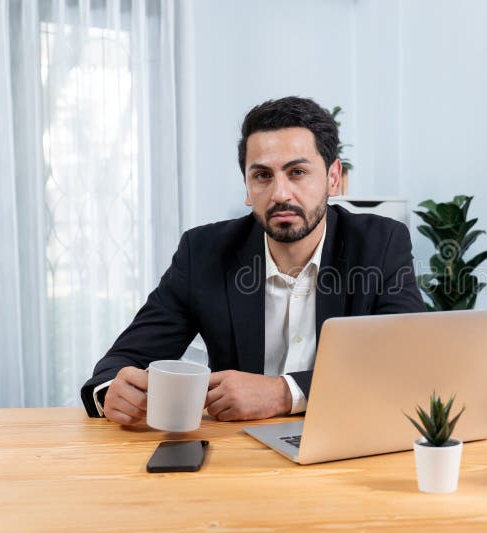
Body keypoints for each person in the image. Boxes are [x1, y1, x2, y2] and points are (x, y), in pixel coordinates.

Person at [81, 96, 424, 424]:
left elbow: (406, 363)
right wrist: (113, 390)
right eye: (262, 176)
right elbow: (122, 361)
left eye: (298, 172)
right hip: (238, 452)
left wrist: (283, 393)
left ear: (333, 178)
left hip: (348, 441)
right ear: (247, 186)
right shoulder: (203, 252)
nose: (279, 194)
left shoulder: (380, 243)